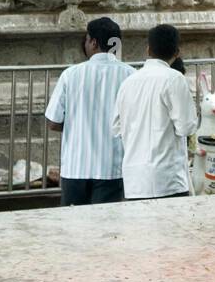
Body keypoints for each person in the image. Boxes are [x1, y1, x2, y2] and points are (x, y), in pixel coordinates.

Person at [44, 17, 134, 206]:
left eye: (86, 39)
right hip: (112, 166)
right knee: (107, 228)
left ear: (93, 42)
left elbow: (53, 122)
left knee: (74, 227)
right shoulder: (130, 75)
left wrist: (77, 124)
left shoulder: (71, 74)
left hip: (75, 166)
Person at [112, 24, 198, 200]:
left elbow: (116, 128)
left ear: (148, 49)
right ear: (177, 52)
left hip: (134, 180)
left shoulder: (128, 83)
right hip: (167, 180)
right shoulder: (175, 79)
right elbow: (186, 127)